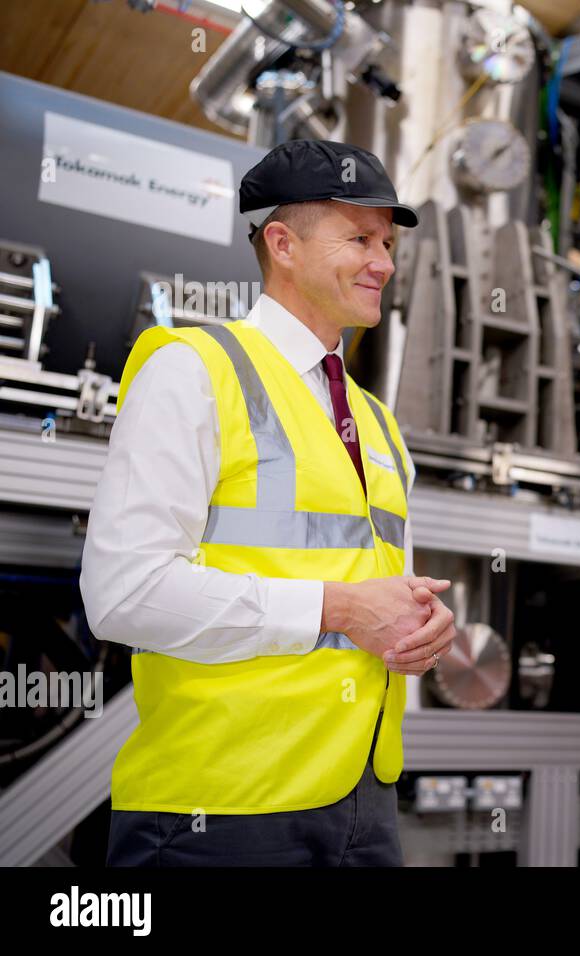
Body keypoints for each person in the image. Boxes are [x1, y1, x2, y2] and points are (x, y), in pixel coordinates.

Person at [81, 139, 455, 866]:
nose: (384, 262)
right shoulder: (193, 370)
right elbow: (123, 594)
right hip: (221, 810)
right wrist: (339, 609)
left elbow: (378, 591)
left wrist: (419, 626)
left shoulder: (378, 423)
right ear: (281, 244)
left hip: (363, 807)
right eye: (358, 238)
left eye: (386, 241)